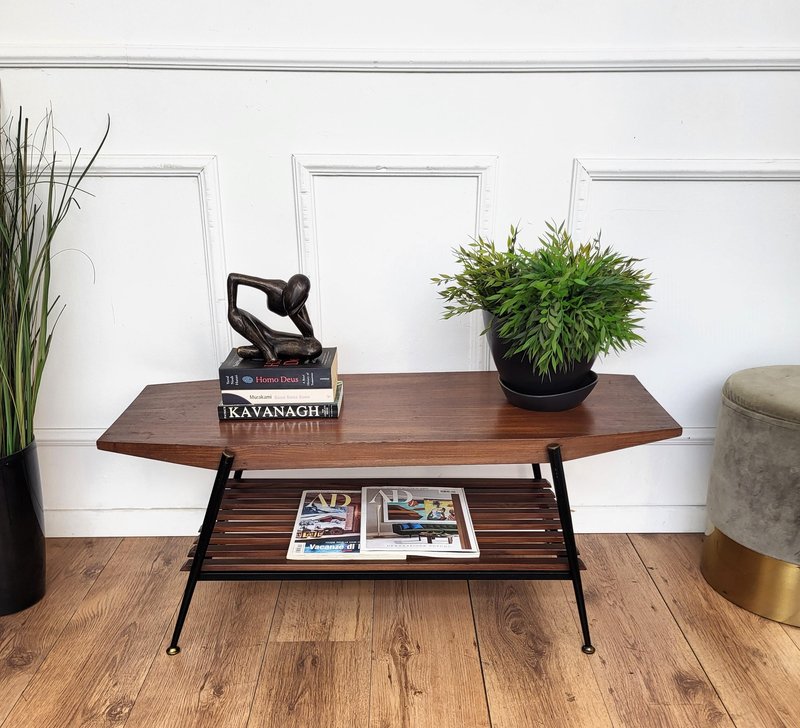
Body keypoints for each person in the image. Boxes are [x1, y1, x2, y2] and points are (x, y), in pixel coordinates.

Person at [226, 272, 322, 361]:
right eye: (286, 302)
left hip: (270, 335)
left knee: (314, 347)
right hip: (244, 320)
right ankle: (265, 349)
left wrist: (294, 315)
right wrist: (232, 307)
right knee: (235, 317)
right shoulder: (274, 287)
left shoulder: (299, 300)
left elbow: (309, 336)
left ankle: (260, 350)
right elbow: (233, 277)